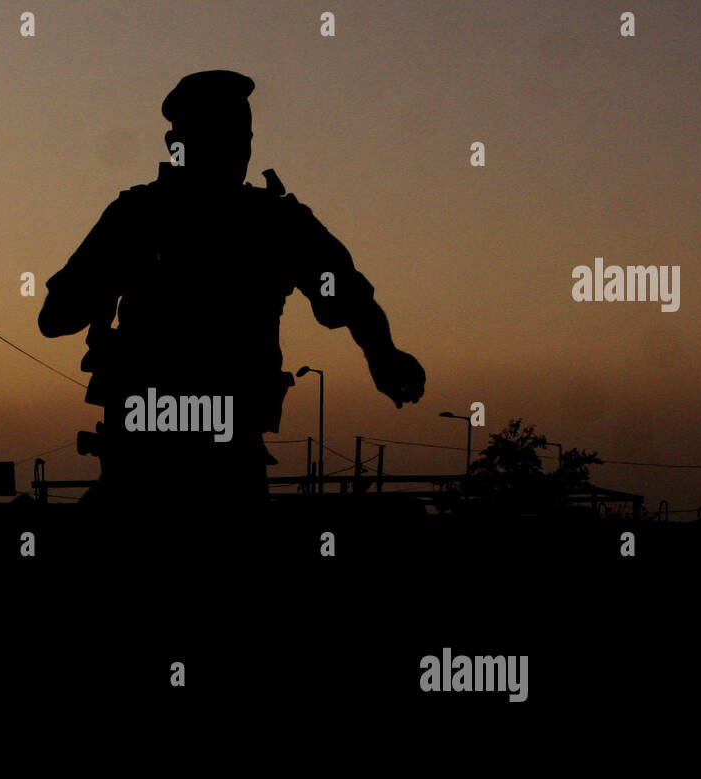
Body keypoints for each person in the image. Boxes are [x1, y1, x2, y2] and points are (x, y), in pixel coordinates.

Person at [39, 70, 425, 506]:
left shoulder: (269, 221)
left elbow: (347, 296)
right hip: (155, 453)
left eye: (243, 137)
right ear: (178, 145)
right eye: (222, 136)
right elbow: (55, 318)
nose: (237, 150)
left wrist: (383, 353)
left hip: (211, 449)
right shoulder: (144, 216)